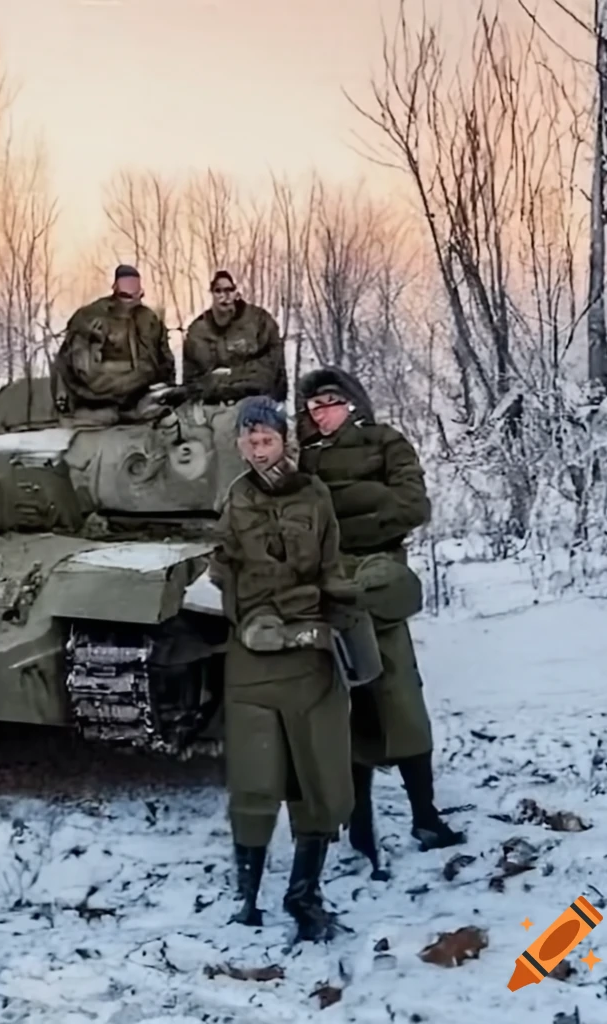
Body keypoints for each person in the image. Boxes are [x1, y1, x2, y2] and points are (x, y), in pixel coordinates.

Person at [295, 366, 465, 877]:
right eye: (311, 407)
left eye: (327, 402)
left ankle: (425, 815)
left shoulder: (386, 442)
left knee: (400, 696)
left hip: (378, 575)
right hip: (329, 585)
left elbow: (412, 506)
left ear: (350, 402)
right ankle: (360, 822)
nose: (319, 413)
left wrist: (349, 525)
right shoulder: (304, 459)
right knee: (349, 703)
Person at [208, 395, 361, 942]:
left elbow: (330, 565)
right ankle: (246, 899)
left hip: (310, 654)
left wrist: (346, 622)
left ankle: (305, 893)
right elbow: (222, 566)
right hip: (253, 655)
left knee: (317, 777)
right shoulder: (236, 498)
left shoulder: (314, 495)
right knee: (253, 779)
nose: (257, 447)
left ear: (284, 440)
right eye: (249, 440)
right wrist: (247, 617)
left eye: (266, 438)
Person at [51, 264, 175, 422]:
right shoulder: (92, 318)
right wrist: (138, 377)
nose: (133, 301)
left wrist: (161, 387)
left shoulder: (149, 319)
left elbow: (166, 363)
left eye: (137, 294)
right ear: (115, 288)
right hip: (95, 407)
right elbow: (87, 375)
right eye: (127, 295)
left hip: (145, 403)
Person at [182, 271, 287, 403]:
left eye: (228, 290)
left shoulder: (259, 321)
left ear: (236, 293)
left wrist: (233, 374)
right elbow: (190, 380)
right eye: (218, 291)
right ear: (212, 294)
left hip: (254, 401)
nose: (223, 296)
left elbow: (273, 365)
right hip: (212, 406)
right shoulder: (197, 331)